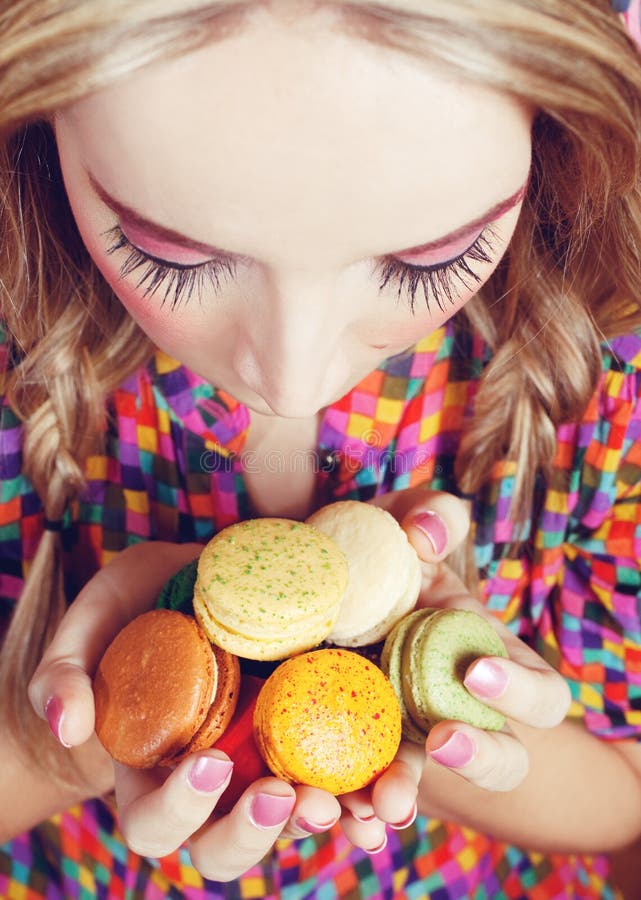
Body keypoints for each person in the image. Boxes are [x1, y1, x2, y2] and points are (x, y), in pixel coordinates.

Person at [0, 0, 640, 896]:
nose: (293, 380)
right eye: (167, 256)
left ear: (558, 134)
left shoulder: (601, 385)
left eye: (430, 260)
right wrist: (90, 735)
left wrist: (430, 708)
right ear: (37, 124)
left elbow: (621, 800)